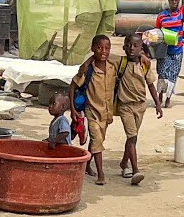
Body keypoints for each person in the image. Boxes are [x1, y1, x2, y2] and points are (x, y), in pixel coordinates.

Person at [69, 34, 119, 186]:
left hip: (106, 112)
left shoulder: (112, 66)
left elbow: (128, 58)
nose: (103, 51)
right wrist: (72, 108)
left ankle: (86, 164)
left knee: (97, 141)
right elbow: (72, 86)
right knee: (97, 139)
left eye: (107, 48)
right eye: (99, 48)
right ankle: (101, 173)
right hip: (92, 111)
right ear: (92, 49)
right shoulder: (87, 70)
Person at [115, 33, 162, 185]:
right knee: (132, 136)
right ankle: (135, 170)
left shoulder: (144, 65)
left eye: (135, 46)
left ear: (141, 48)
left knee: (132, 137)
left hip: (140, 106)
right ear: (124, 47)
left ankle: (124, 163)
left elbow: (150, 85)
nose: (131, 48)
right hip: (125, 106)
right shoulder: (120, 63)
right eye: (128, 45)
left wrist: (158, 104)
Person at [155, 0, 184, 108]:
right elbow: (157, 33)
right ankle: (159, 96)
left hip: (177, 50)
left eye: (176, 0)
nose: (174, 2)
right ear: (169, 1)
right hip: (164, 50)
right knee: (162, 73)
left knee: (173, 75)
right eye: (172, 0)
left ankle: (168, 98)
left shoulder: (181, 13)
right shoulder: (161, 16)